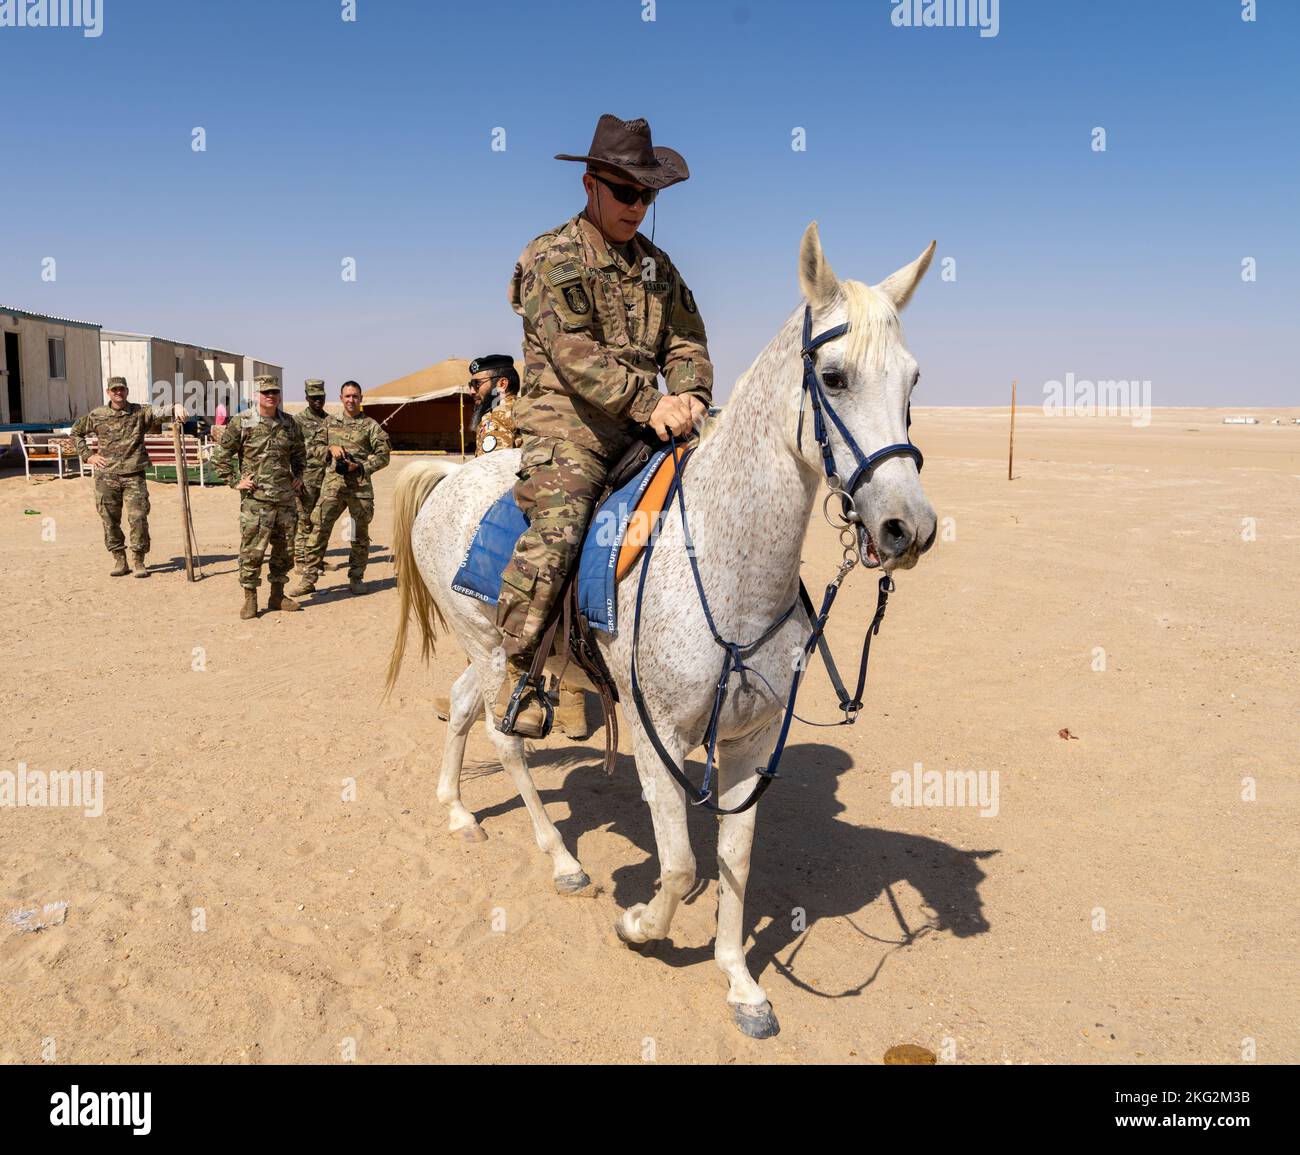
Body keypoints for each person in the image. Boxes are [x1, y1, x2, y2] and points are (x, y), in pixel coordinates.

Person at [494, 113, 713, 736]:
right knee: (560, 532)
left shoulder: (658, 268)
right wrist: (652, 404)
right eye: (626, 192)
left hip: (651, 426)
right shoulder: (551, 256)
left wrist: (692, 393)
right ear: (590, 185)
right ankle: (524, 667)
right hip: (569, 429)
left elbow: (687, 339)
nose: (638, 206)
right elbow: (574, 354)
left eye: (648, 194)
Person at [209, 376, 306, 619]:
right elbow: (220, 455)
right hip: (256, 501)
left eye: (274, 391)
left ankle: (277, 595)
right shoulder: (243, 422)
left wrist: (300, 475)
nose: (270, 396)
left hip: (285, 500)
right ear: (257, 395)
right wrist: (234, 481)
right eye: (265, 392)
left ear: (279, 395)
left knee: (285, 550)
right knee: (252, 551)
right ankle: (250, 599)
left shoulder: (289, 424)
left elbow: (300, 454)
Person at [71, 377, 187, 577]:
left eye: (121, 389)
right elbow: (76, 432)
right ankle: (119, 559)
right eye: (114, 390)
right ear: (108, 392)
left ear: (127, 391)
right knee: (109, 519)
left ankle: (139, 560)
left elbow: (160, 412)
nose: (118, 393)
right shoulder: (97, 415)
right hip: (106, 476)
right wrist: (88, 456)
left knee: (138, 518)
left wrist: (176, 407)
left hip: (134, 475)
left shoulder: (139, 412)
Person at [289, 381, 391, 596]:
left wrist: (361, 466)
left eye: (355, 396)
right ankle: (309, 578)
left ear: (361, 398)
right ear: (341, 398)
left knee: (359, 535)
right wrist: (329, 448)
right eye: (347, 396)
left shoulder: (370, 425)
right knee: (318, 530)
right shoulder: (330, 421)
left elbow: (383, 455)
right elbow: (312, 447)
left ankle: (356, 578)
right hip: (333, 487)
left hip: (360, 489)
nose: (351, 400)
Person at [293, 379, 330, 574]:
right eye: (314, 397)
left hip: (326, 478)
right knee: (304, 520)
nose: (318, 401)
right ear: (307, 398)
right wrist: (294, 477)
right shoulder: (297, 421)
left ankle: (316, 560)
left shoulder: (330, 420)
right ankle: (300, 561)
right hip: (306, 478)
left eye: (321, 397)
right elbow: (292, 451)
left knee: (321, 521)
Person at [468, 354, 523, 456]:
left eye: (477, 384)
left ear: (502, 384)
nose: (471, 391)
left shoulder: (496, 417)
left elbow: (492, 467)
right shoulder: (526, 407)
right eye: (470, 385)